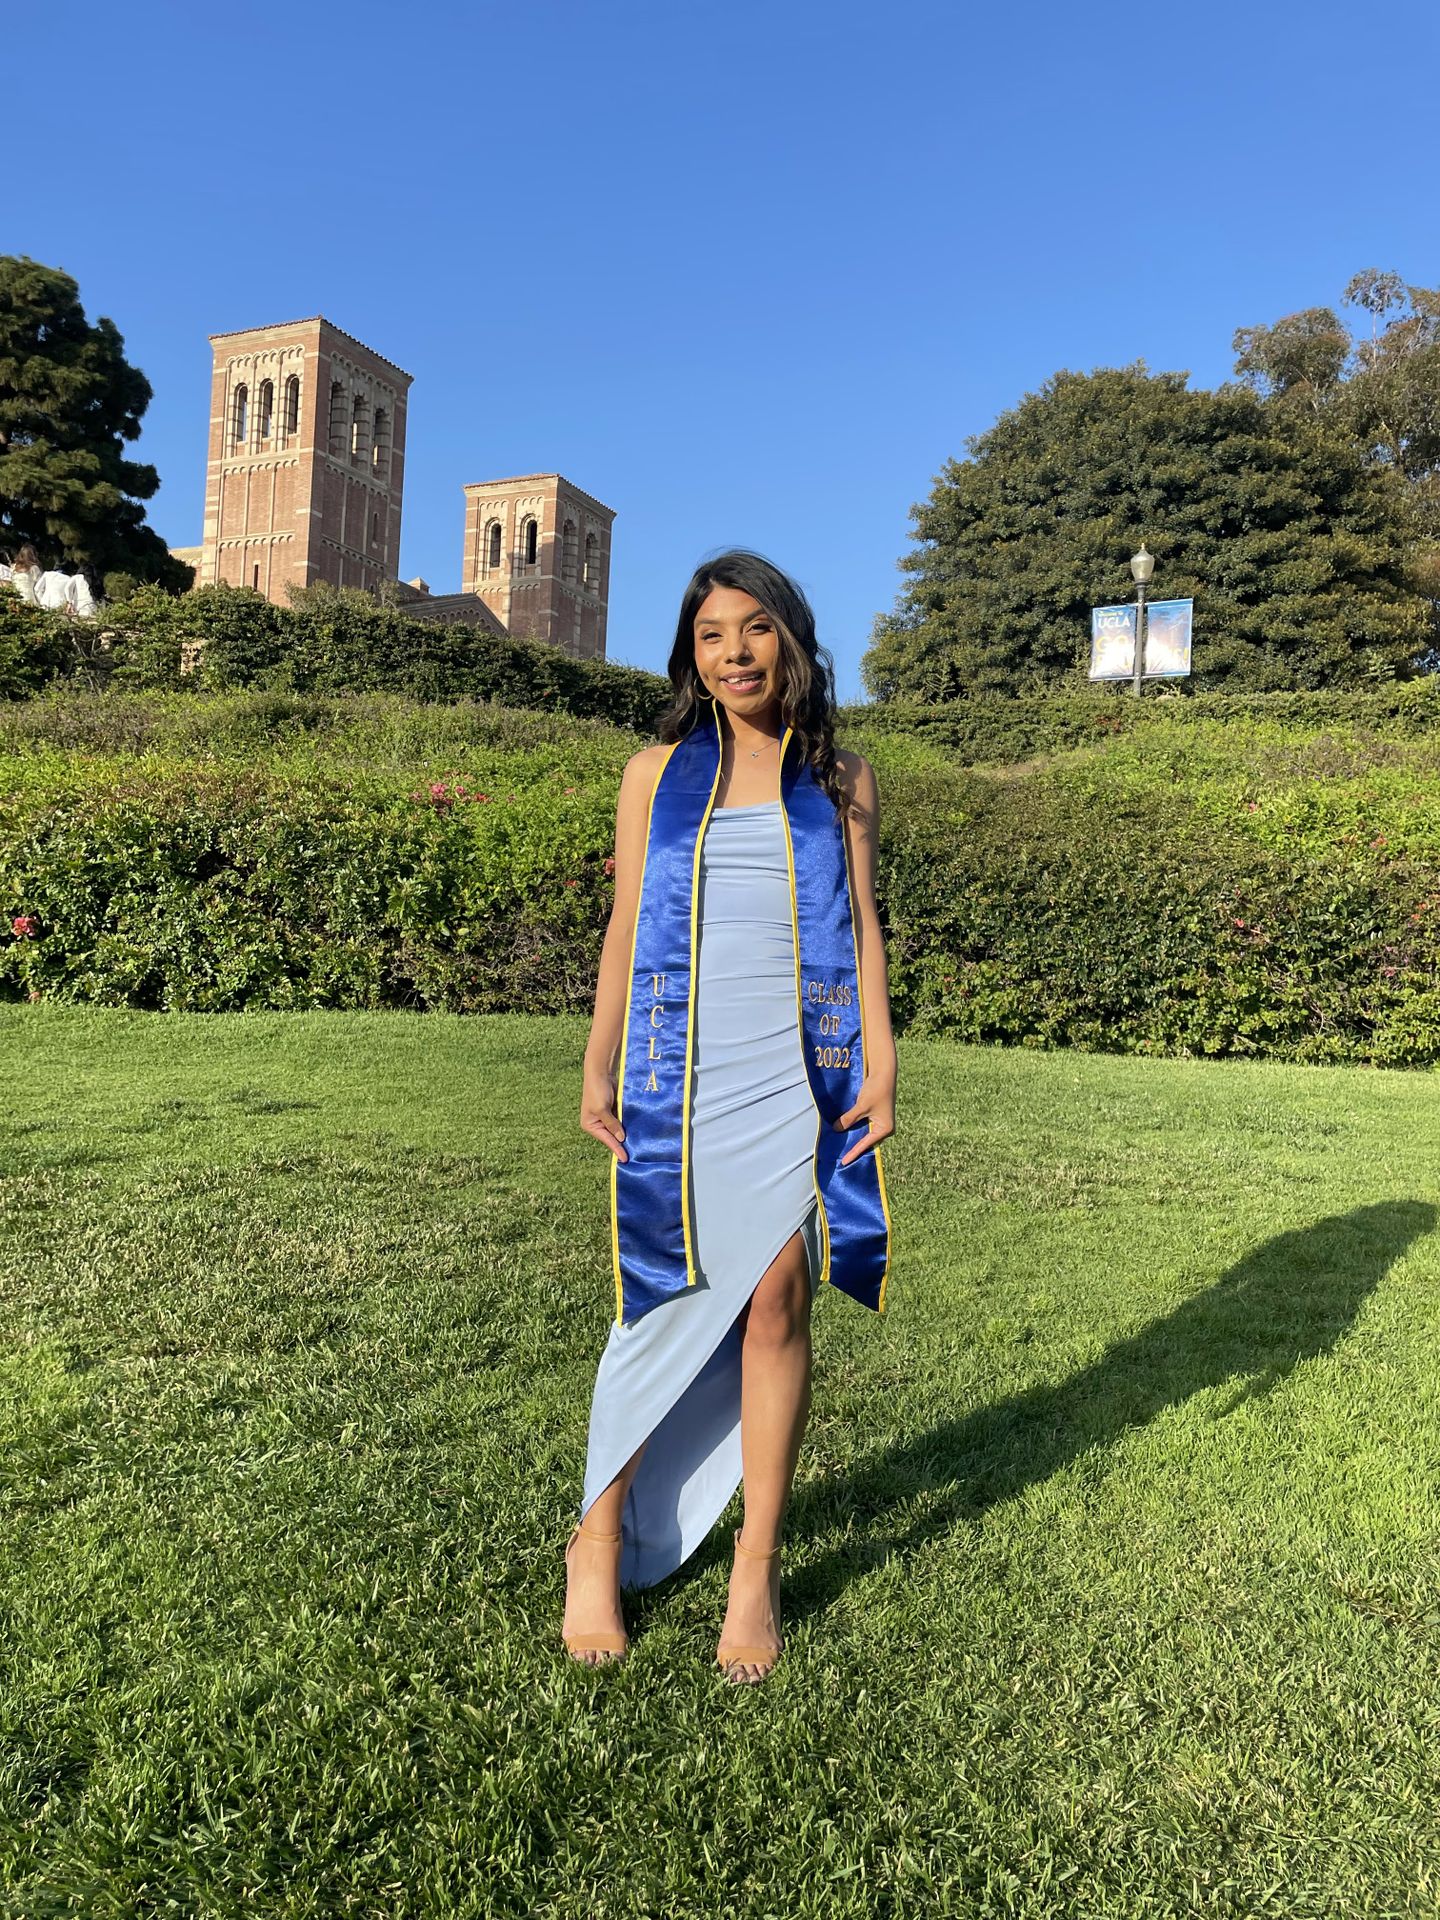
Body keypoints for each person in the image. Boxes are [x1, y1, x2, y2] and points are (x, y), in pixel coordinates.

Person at [565, 549, 896, 1683]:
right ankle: (596, 1540)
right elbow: (621, 927)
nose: (735, 653)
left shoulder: (842, 777)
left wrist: (880, 1067)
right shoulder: (655, 774)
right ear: (690, 656)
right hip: (678, 1065)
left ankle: (754, 1566)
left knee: (777, 1300)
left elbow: (860, 928)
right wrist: (598, 1062)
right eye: (712, 636)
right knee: (657, 1299)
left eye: (754, 629)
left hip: (793, 1062)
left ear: (790, 640)